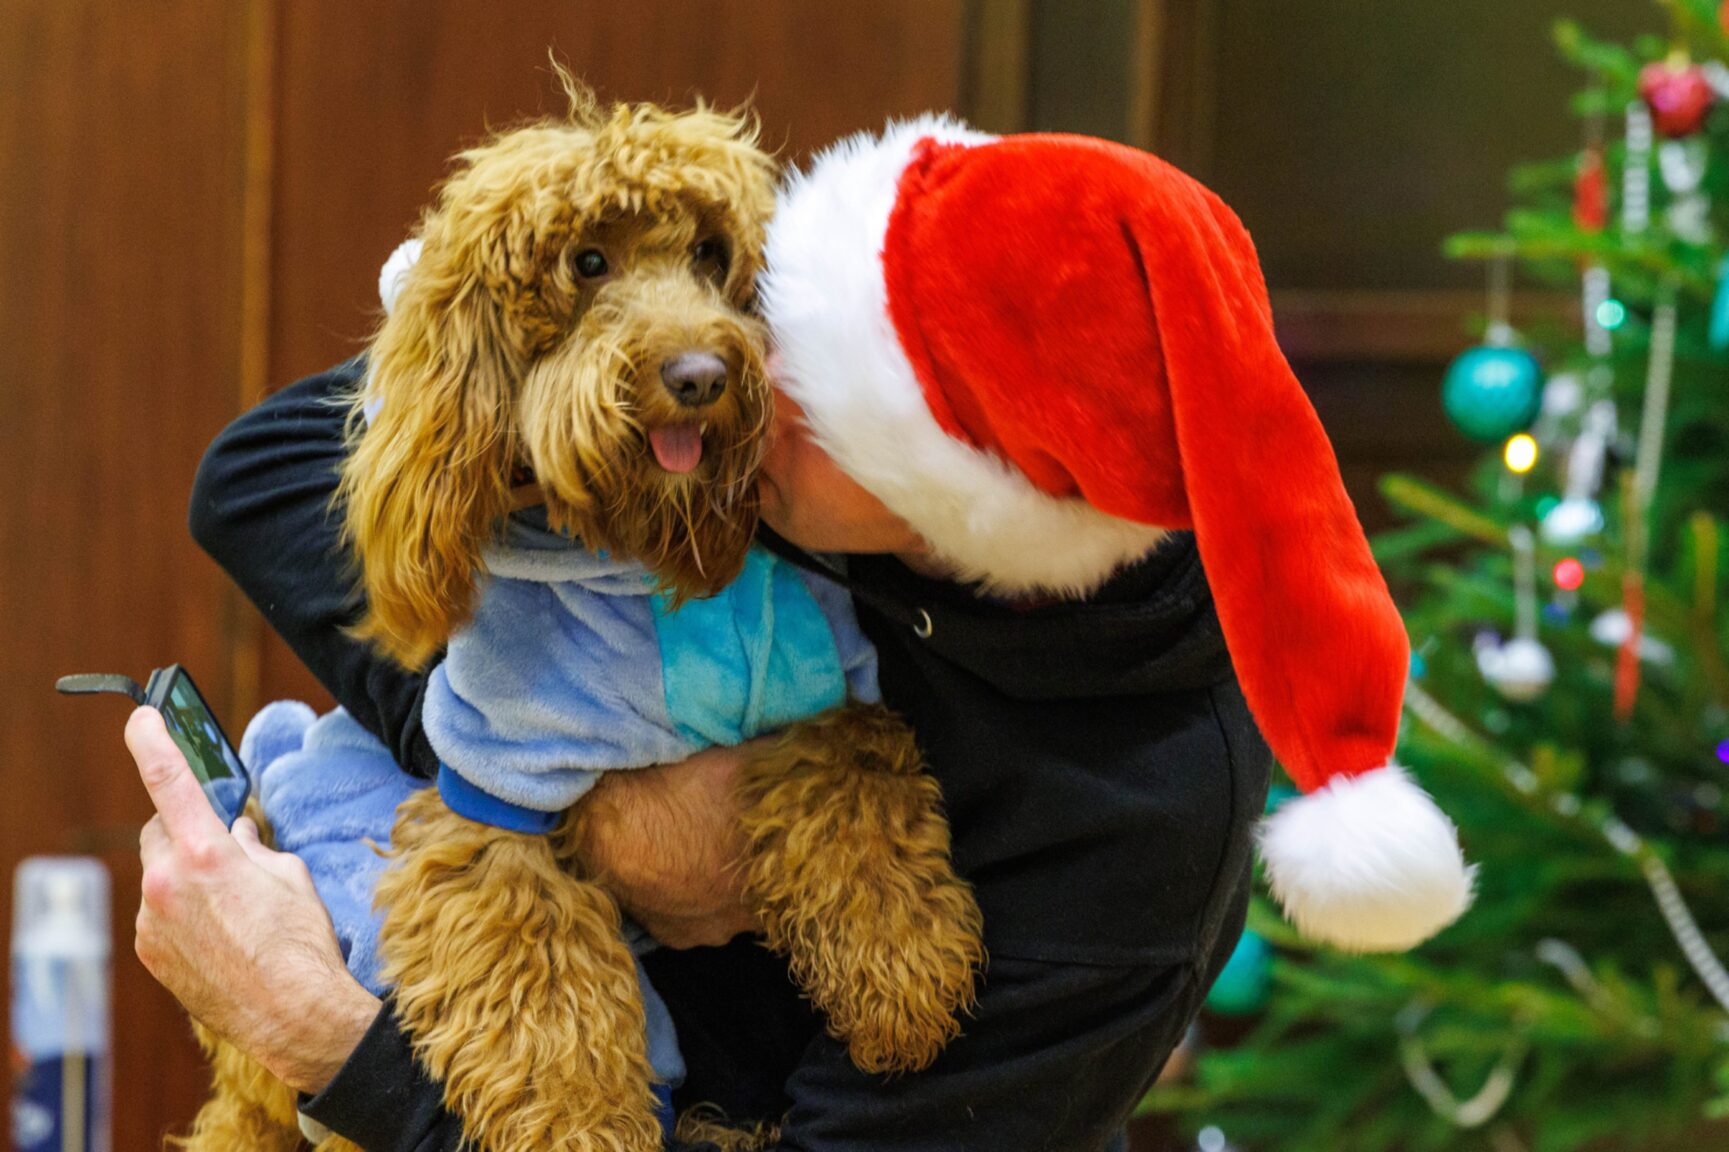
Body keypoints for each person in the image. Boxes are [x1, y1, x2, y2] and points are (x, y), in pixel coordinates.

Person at [132, 119, 1467, 1151]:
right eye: (775, 322)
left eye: (817, 395)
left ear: (962, 498)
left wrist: (332, 1042)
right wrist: (558, 780)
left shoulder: (1135, 828)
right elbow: (264, 468)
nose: (736, 396)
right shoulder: (755, 433)